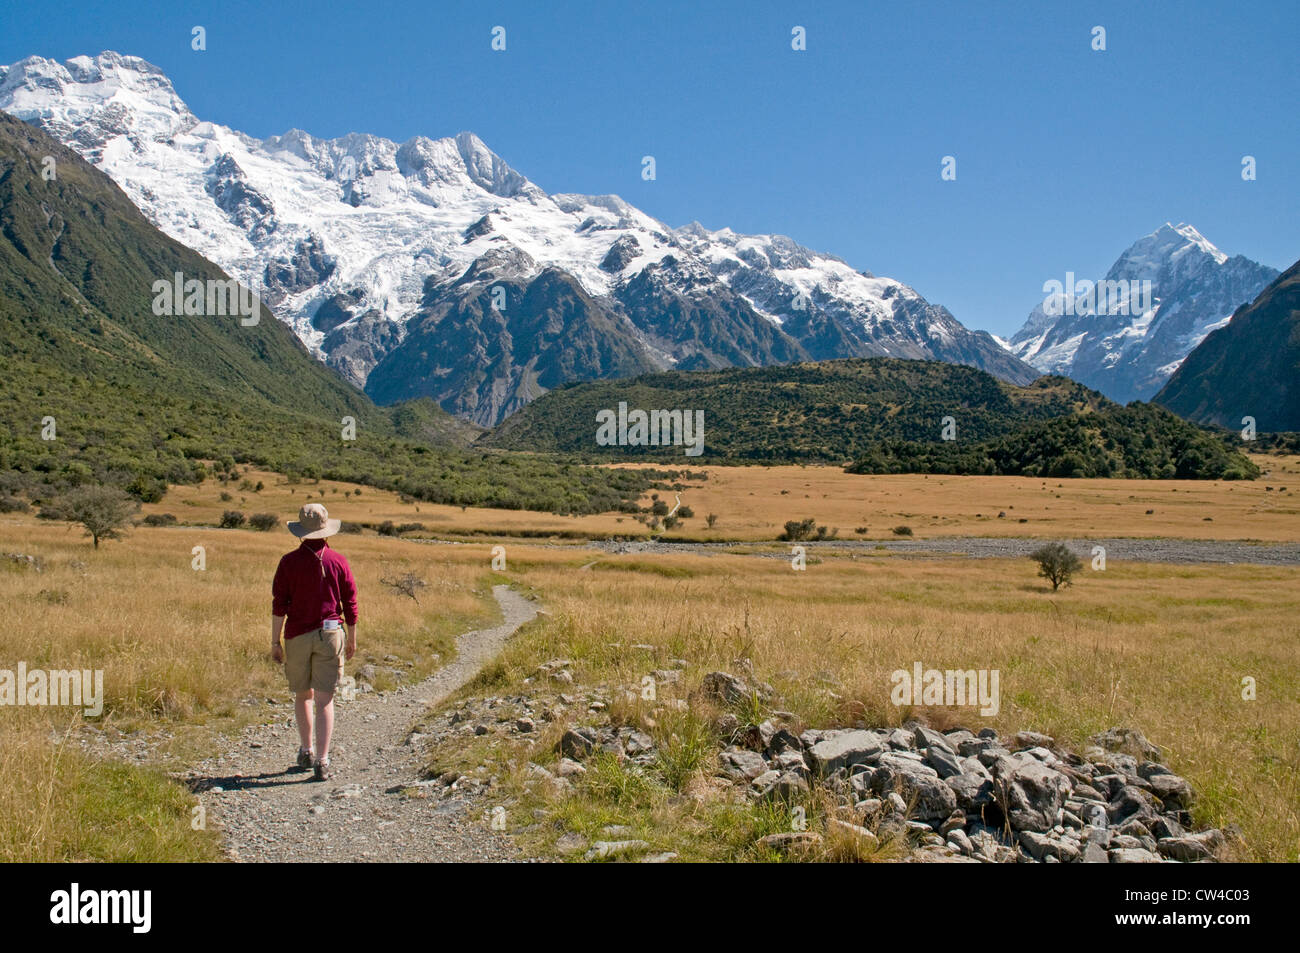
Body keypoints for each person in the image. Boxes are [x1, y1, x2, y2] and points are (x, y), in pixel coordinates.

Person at [270, 503, 358, 781]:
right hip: (331, 635)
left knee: (302, 695)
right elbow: (350, 603)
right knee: (325, 699)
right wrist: (352, 638)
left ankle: (306, 750)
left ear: (299, 532)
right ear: (326, 529)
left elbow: (279, 605)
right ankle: (323, 760)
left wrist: (275, 641)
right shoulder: (338, 561)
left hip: (296, 635)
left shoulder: (288, 562)